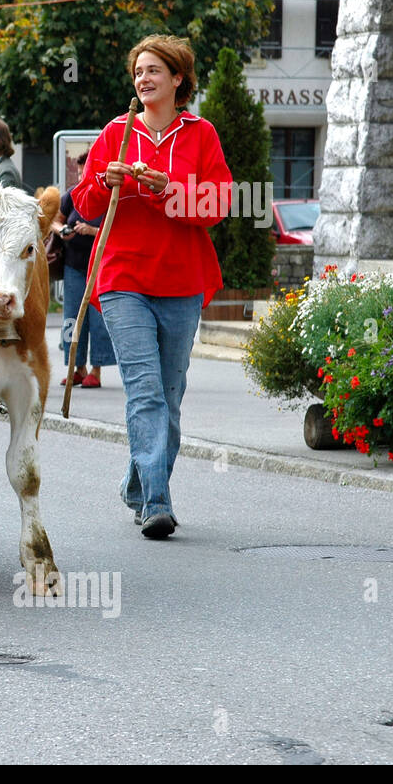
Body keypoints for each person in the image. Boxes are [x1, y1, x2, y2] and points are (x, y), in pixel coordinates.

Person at [72, 34, 231, 541]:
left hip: (183, 279)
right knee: (144, 392)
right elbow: (86, 206)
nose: (143, 79)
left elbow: (221, 205)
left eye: (154, 71)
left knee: (170, 397)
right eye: (138, 71)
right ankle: (157, 503)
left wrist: (173, 189)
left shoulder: (200, 134)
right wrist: (104, 183)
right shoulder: (116, 133)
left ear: (178, 78)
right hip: (123, 277)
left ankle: (138, 482)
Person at [52, 151, 116, 389]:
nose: (81, 176)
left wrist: (91, 231)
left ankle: (96, 370)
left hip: (101, 266)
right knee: (72, 318)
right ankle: (75, 368)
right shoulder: (72, 195)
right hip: (75, 265)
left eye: (84, 171)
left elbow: (118, 230)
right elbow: (55, 219)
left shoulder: (110, 196)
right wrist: (61, 231)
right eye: (78, 172)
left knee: (99, 318)